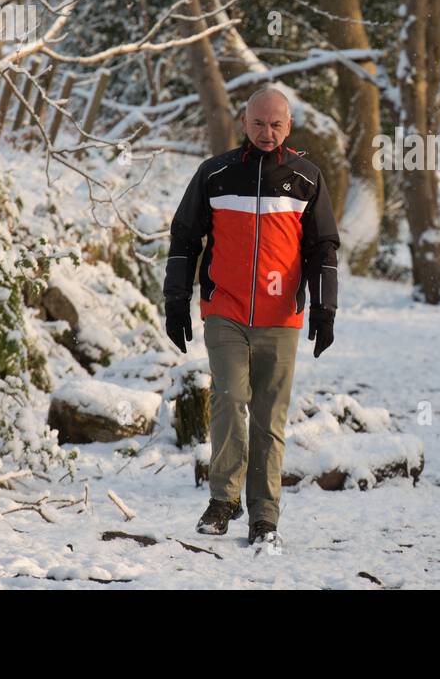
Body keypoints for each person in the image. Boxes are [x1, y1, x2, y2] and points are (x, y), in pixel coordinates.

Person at [162, 87, 340, 546]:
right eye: (258, 123)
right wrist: (176, 302)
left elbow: (323, 249)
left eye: (276, 124)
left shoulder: (306, 177)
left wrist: (325, 310)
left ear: (289, 127)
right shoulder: (215, 174)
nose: (267, 132)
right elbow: (185, 239)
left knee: (269, 417)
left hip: (281, 316)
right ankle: (223, 502)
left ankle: (265, 515)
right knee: (228, 397)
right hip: (226, 309)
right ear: (244, 122)